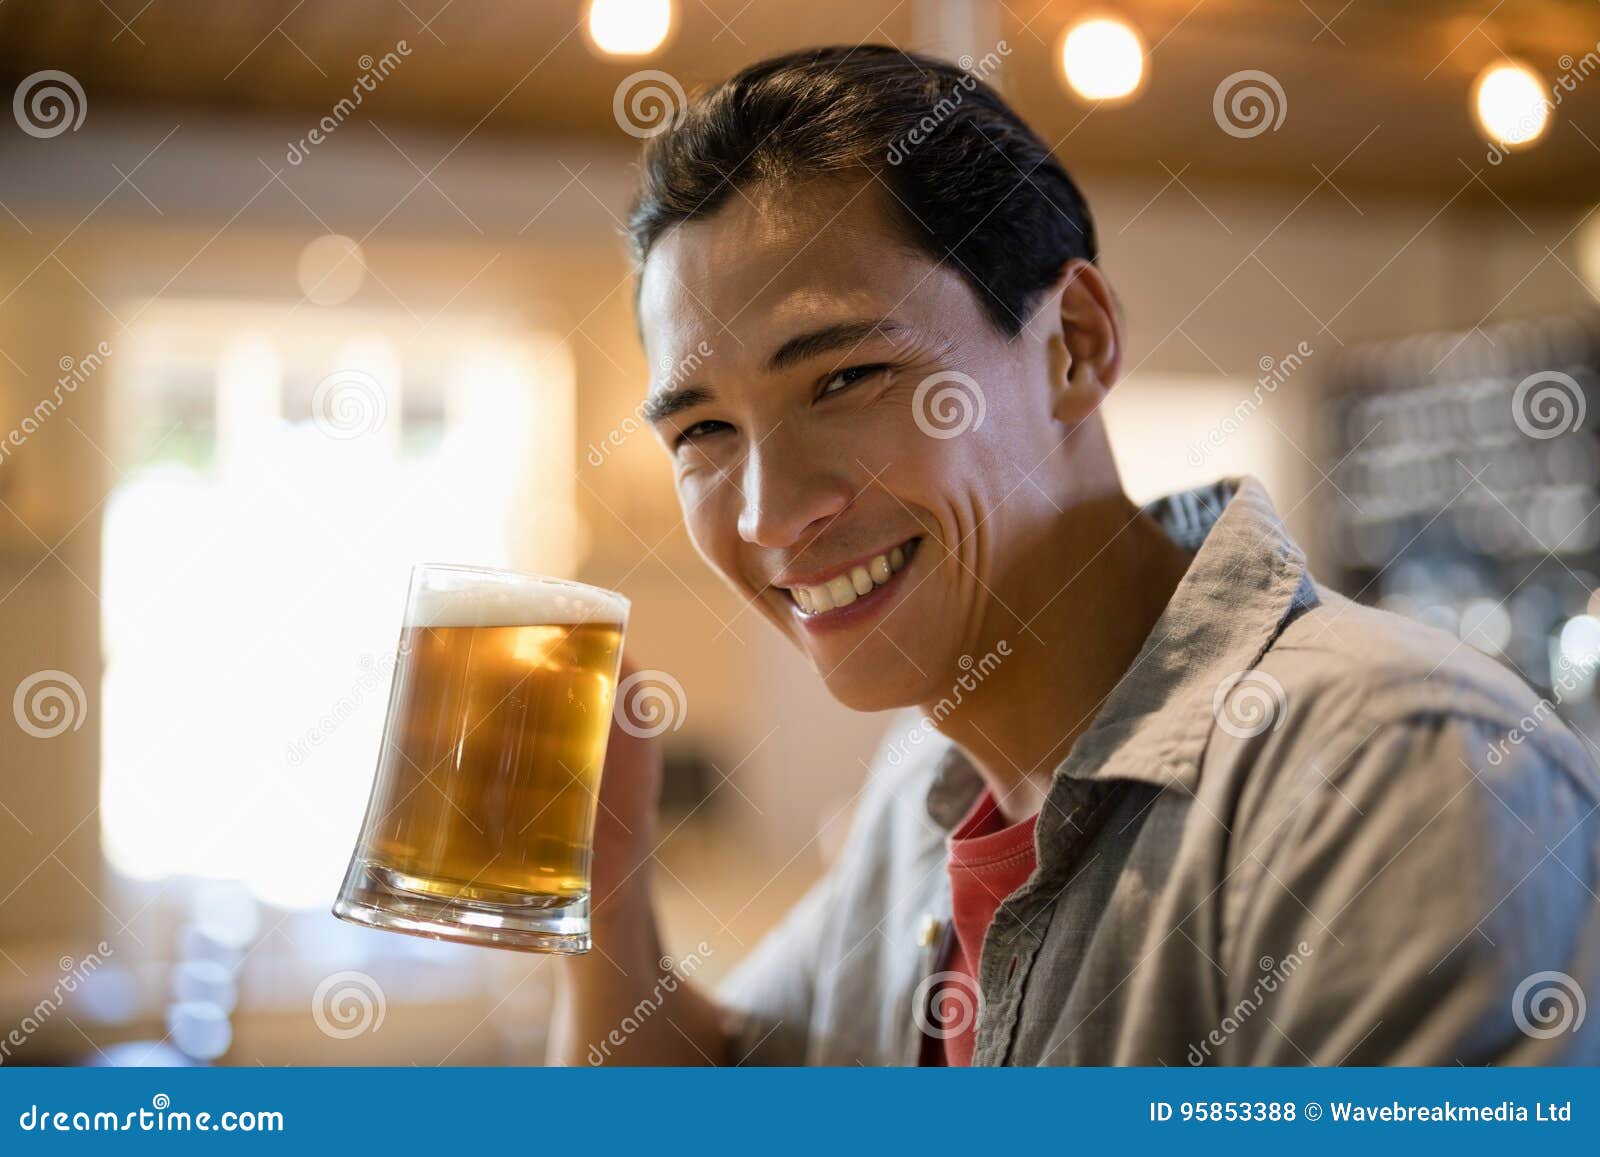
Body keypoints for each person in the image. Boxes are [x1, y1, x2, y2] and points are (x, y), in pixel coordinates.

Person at [550, 45, 1600, 1065]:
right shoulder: (929, 780)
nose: (771, 515)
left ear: (1076, 345)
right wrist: (597, 880)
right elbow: (724, 1080)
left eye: (844, 378)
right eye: (702, 432)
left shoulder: (1392, 773)